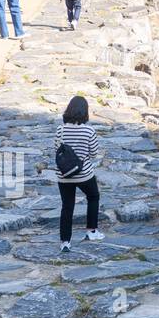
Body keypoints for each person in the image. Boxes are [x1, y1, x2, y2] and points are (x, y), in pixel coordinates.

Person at [54, 96, 104, 253]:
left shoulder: (60, 130)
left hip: (64, 175)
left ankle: (65, 242)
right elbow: (94, 153)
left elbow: (57, 150)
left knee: (67, 206)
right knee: (93, 197)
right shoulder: (89, 131)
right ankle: (91, 231)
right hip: (84, 174)